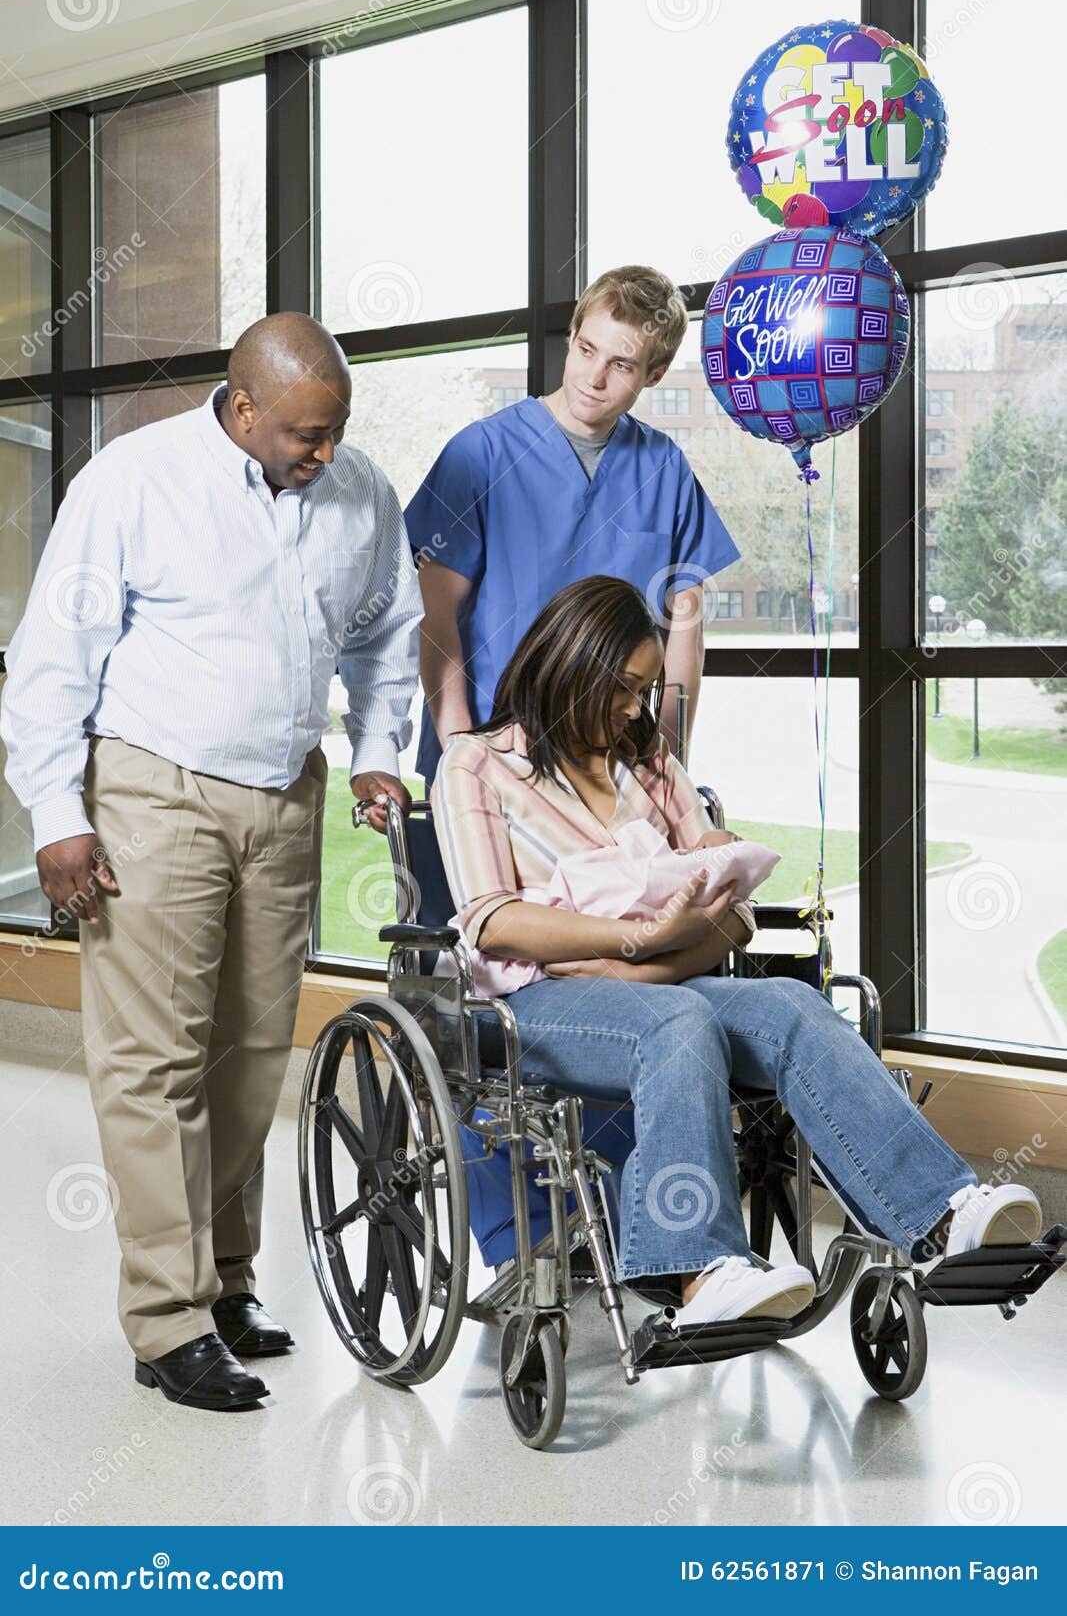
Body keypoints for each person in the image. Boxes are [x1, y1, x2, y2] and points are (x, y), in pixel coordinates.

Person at [0, 314, 422, 1409]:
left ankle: (225, 1282)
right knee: (153, 1060)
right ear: (241, 408)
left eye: (333, 432)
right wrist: (56, 811)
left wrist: (377, 751)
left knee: (247, 1054)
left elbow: (387, 632)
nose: (322, 453)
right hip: (152, 785)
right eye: (303, 434)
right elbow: (52, 655)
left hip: (284, 793)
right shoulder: (134, 481)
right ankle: (166, 1318)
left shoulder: (359, 490)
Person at [431, 576, 1042, 1324]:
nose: (634, 708)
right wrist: (640, 936)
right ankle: (697, 1272)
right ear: (568, 664)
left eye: (646, 690)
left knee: (788, 1003)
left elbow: (733, 912)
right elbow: (493, 918)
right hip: (536, 1006)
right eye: (622, 688)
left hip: (659, 986)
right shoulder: (478, 764)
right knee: (675, 1023)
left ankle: (941, 1216)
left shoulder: (649, 765)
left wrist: (645, 959)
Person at [405, 265, 740, 795]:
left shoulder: (664, 469)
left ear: (654, 374)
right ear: (572, 338)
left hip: (613, 768)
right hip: (493, 753)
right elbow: (436, 616)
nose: (594, 377)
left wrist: (668, 765)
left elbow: (685, 630)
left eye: (621, 364)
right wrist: (462, 758)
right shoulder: (481, 454)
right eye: (586, 350)